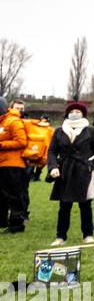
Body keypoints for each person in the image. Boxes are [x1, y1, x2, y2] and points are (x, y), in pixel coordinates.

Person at [47, 101, 94, 246]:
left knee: (85, 205)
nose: (75, 114)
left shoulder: (90, 130)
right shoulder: (59, 130)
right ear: (67, 114)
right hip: (65, 171)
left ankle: (88, 234)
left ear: (83, 114)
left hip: (83, 171)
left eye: (78, 112)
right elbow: (52, 151)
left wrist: (91, 164)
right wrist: (53, 167)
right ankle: (60, 237)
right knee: (64, 206)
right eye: (72, 111)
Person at [0, 97, 30, 234]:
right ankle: (3, 221)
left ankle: (17, 224)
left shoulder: (13, 121)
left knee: (13, 195)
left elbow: (21, 141)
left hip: (13, 164)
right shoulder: (3, 122)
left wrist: (1, 145)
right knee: (2, 195)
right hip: (3, 163)